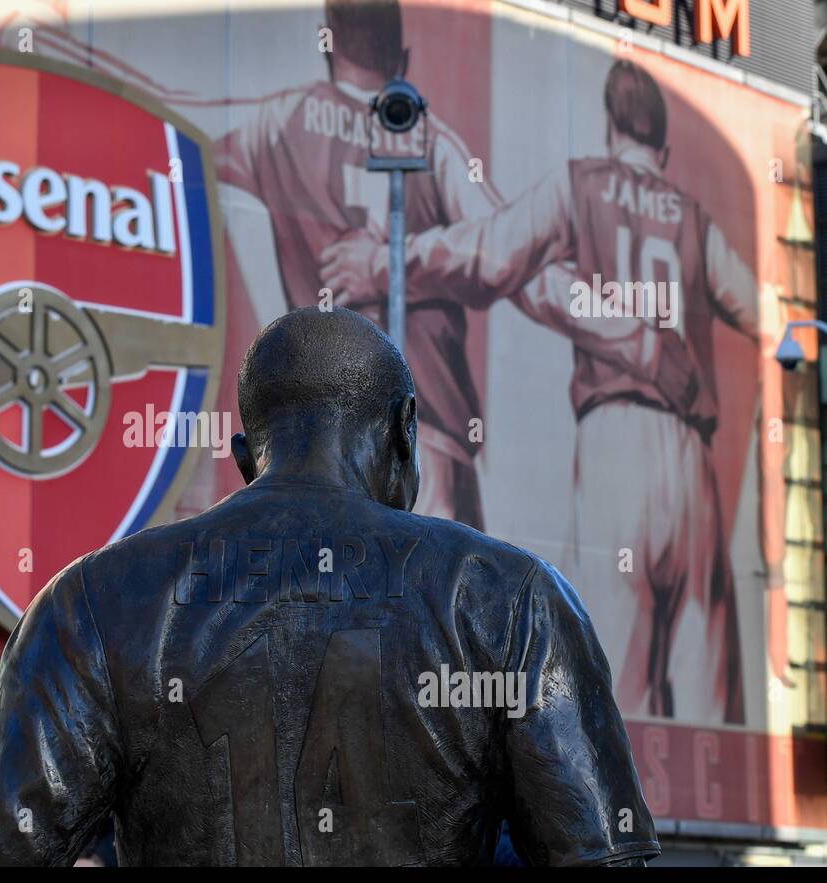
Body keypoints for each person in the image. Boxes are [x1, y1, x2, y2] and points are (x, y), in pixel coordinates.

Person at [0, 306, 659, 866]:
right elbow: (601, 857)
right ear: (404, 434)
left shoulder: (91, 603)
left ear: (242, 457)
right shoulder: (515, 600)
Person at [215, 0, 691, 529]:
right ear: (404, 56)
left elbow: (183, 143)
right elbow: (523, 271)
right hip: (420, 443)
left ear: (326, 40)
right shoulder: (433, 142)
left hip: (314, 460)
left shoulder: (275, 124)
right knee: (439, 606)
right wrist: (645, 347)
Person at [403, 60, 754, 725]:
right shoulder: (695, 219)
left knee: (614, 676)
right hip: (691, 454)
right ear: (665, 148)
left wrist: (402, 253)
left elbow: (490, 255)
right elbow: (764, 310)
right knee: (705, 679)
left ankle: (618, 825)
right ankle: (702, 819)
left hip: (614, 436)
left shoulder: (579, 183)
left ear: (609, 126)